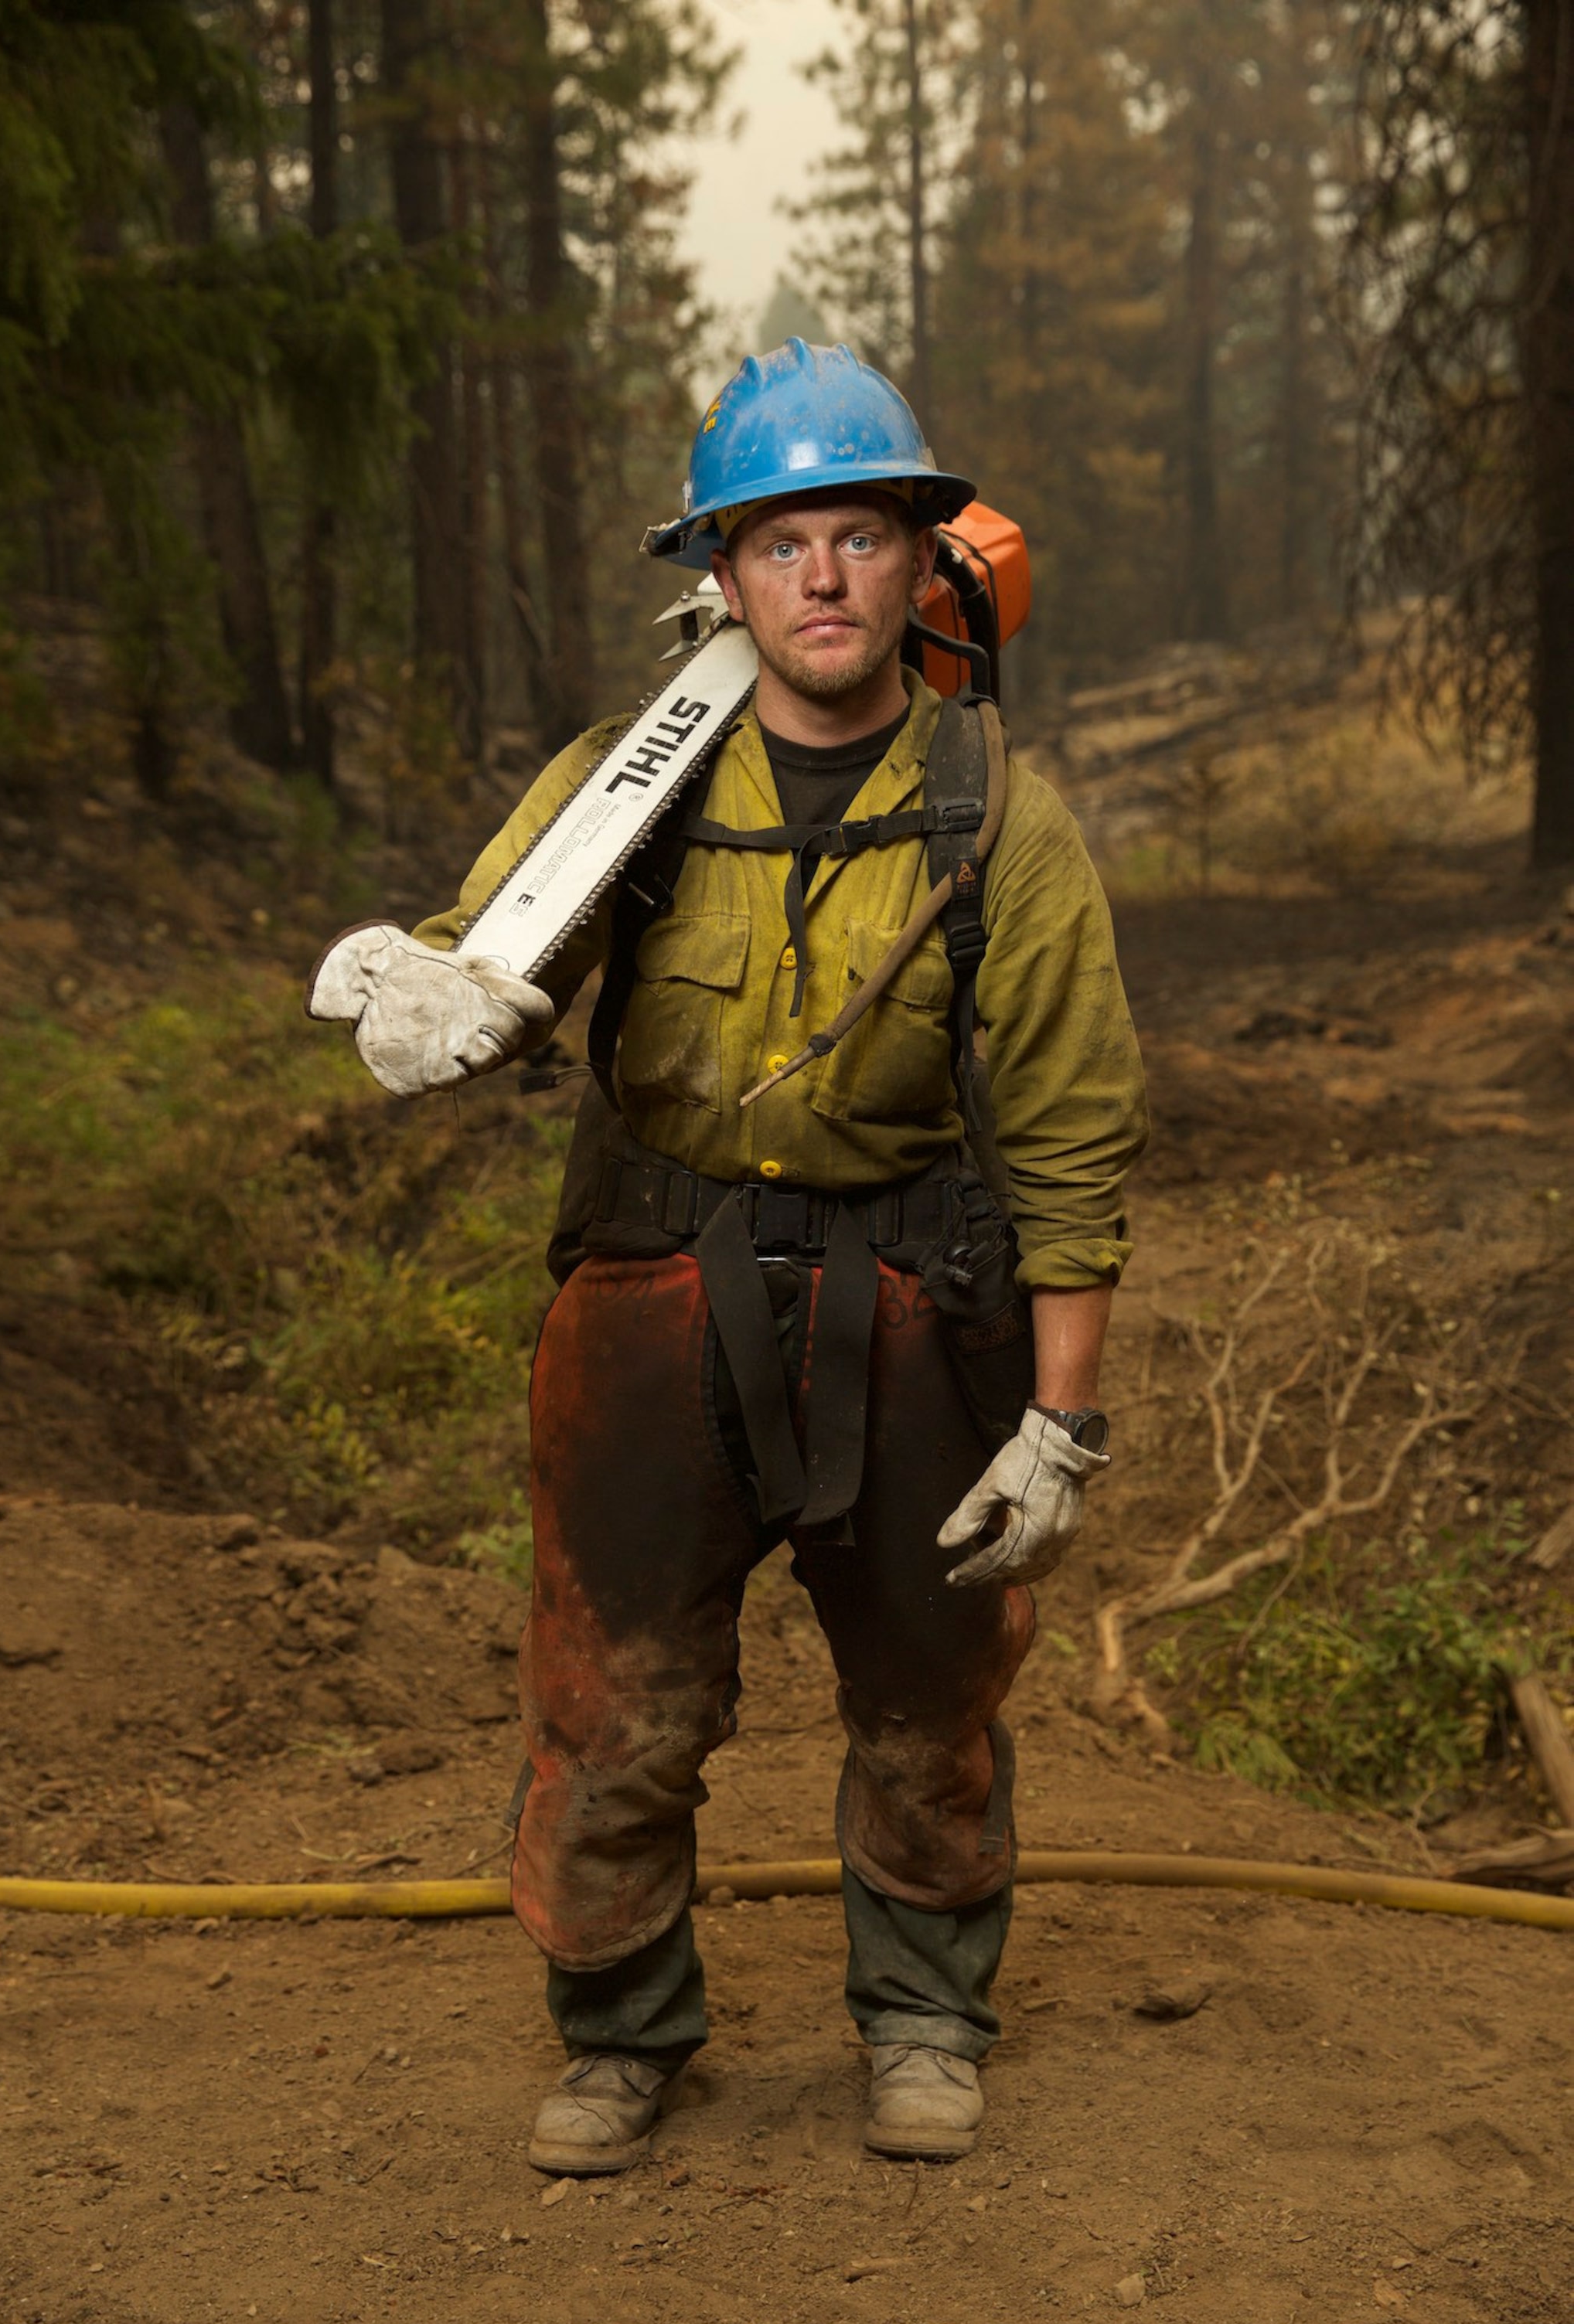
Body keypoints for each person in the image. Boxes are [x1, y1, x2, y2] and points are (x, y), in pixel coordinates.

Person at [308, 340, 1147, 2176]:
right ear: (723, 576)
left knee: (933, 1698)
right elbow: (498, 956)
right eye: (783, 544)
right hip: (652, 1286)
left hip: (923, 1300)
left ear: (927, 563)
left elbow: (1078, 1133)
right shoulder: (624, 783)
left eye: (860, 535)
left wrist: (1061, 1425)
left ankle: (924, 2015)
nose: (825, 576)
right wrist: (432, 989)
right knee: (613, 1700)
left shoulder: (1000, 809)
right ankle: (619, 2036)